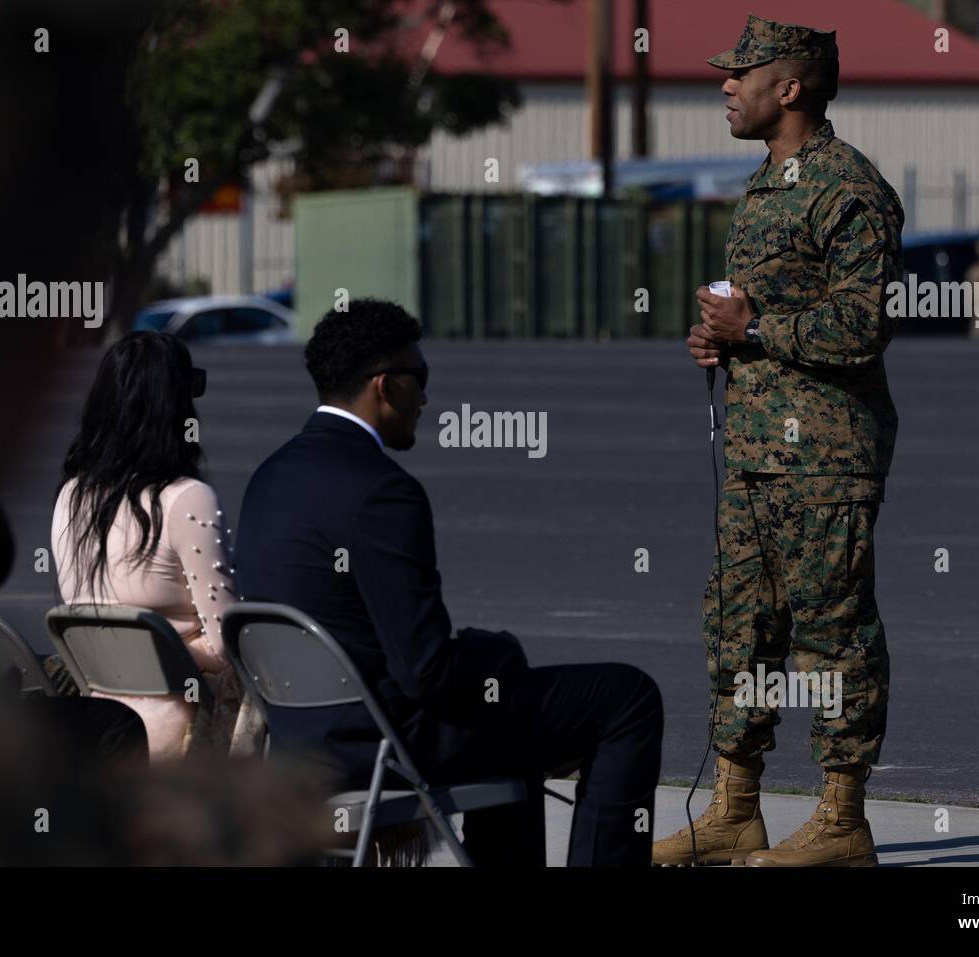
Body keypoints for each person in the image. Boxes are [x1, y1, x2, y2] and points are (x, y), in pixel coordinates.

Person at [234, 298, 664, 866]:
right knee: (626, 697)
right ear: (384, 386)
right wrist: (502, 654)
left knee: (510, 723)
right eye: (420, 378)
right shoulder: (383, 491)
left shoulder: (267, 478)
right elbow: (426, 673)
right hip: (384, 743)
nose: (427, 397)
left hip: (302, 743)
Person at [668, 15, 900, 867]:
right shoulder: (768, 182)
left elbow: (864, 322)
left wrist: (757, 324)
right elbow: (771, 322)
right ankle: (735, 807)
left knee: (832, 633)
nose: (726, 86)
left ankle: (842, 824)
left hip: (825, 457)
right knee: (740, 624)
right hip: (757, 450)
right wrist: (726, 340)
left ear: (790, 87)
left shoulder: (848, 188)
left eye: (742, 74)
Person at [51, 331, 263, 761]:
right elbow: (228, 645)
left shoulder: (70, 495)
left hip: (96, 719)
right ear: (176, 407)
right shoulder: (186, 499)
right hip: (177, 728)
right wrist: (164, 647)